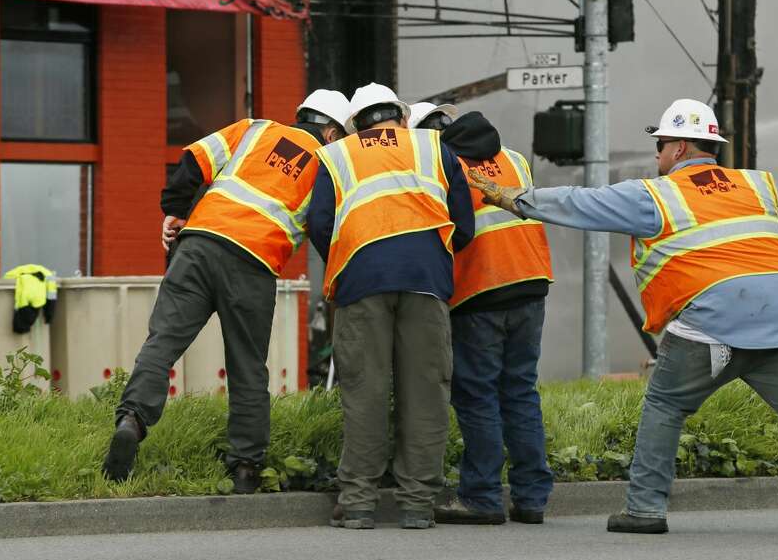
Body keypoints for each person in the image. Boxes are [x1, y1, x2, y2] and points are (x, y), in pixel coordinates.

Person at [470, 98, 778, 540]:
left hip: (713, 328)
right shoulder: (759, 186)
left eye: (661, 145)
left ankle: (644, 509)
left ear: (681, 148)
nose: (657, 155)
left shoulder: (656, 195)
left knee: (665, 405)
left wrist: (517, 199)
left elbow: (579, 203)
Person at [102, 90, 352, 492]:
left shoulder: (254, 129)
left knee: (162, 343)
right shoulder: (328, 162)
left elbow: (193, 160)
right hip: (253, 265)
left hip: (198, 246)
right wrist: (339, 272)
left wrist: (175, 209)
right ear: (331, 132)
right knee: (247, 366)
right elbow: (324, 224)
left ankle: (132, 419)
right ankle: (246, 467)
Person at [307, 84, 475, 530]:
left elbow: (320, 223)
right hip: (426, 281)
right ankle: (417, 504)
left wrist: (348, 259)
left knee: (365, 390)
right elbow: (464, 225)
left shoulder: (337, 155)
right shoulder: (433, 147)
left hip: (361, 281)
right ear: (401, 119)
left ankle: (358, 503)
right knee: (426, 391)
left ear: (355, 126)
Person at [409, 102, 555, 526]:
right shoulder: (512, 157)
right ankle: (531, 497)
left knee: (478, 395)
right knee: (520, 391)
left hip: (480, 288)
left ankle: (481, 496)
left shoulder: (439, 164)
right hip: (530, 280)